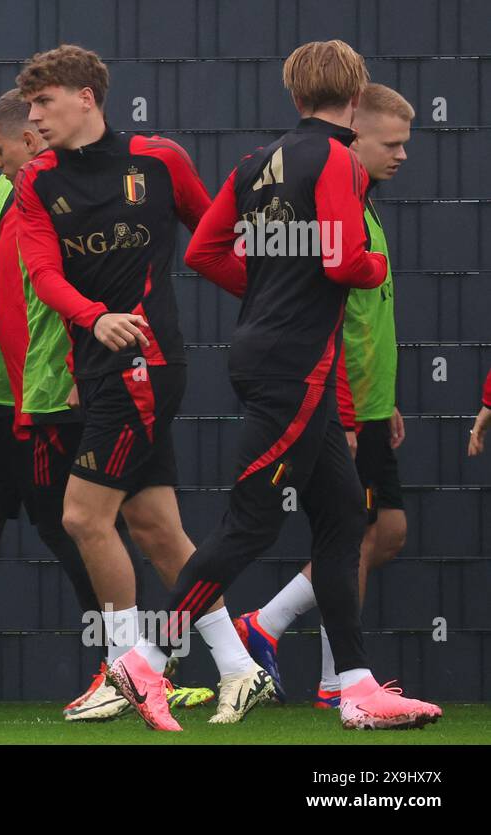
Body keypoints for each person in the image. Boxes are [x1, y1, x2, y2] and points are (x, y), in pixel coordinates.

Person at [145, 40, 441, 731]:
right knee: (250, 522)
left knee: (343, 518)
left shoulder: (256, 162)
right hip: (294, 364)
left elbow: (202, 250)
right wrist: (362, 265)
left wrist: (273, 284)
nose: (396, 154)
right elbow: (344, 262)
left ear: (294, 91)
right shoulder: (335, 159)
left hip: (268, 349)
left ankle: (358, 686)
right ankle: (143, 656)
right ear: (356, 93)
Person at [13, 45, 267, 730]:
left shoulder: (159, 160)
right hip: (96, 368)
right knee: (156, 528)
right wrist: (95, 316)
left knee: (82, 517)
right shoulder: (35, 181)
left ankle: (129, 668)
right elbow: (43, 275)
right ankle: (241, 666)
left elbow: (216, 237)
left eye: (44, 102)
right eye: (29, 105)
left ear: (87, 97)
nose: (32, 117)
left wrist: (276, 301)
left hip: (148, 367)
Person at [229, 83, 416, 708]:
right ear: (352, 134)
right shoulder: (338, 211)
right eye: (390, 144)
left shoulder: (365, 204)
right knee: (349, 526)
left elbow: (368, 321)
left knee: (381, 530)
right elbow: (329, 320)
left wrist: (381, 397)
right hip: (334, 398)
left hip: (364, 399)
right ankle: (336, 677)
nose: (401, 156)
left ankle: (268, 627)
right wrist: (345, 408)